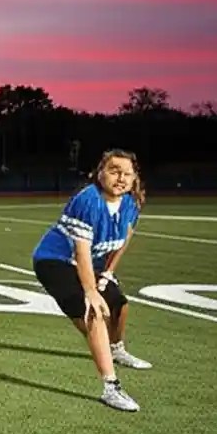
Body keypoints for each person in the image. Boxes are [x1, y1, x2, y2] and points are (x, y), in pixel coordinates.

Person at [32, 149, 150, 412]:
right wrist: (90, 292)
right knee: (94, 313)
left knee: (120, 305)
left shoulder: (131, 203)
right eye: (114, 170)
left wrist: (108, 272)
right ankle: (111, 387)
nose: (121, 177)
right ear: (100, 173)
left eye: (127, 173)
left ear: (134, 178)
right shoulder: (88, 200)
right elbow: (80, 251)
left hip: (94, 262)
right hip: (56, 261)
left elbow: (124, 240)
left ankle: (116, 349)